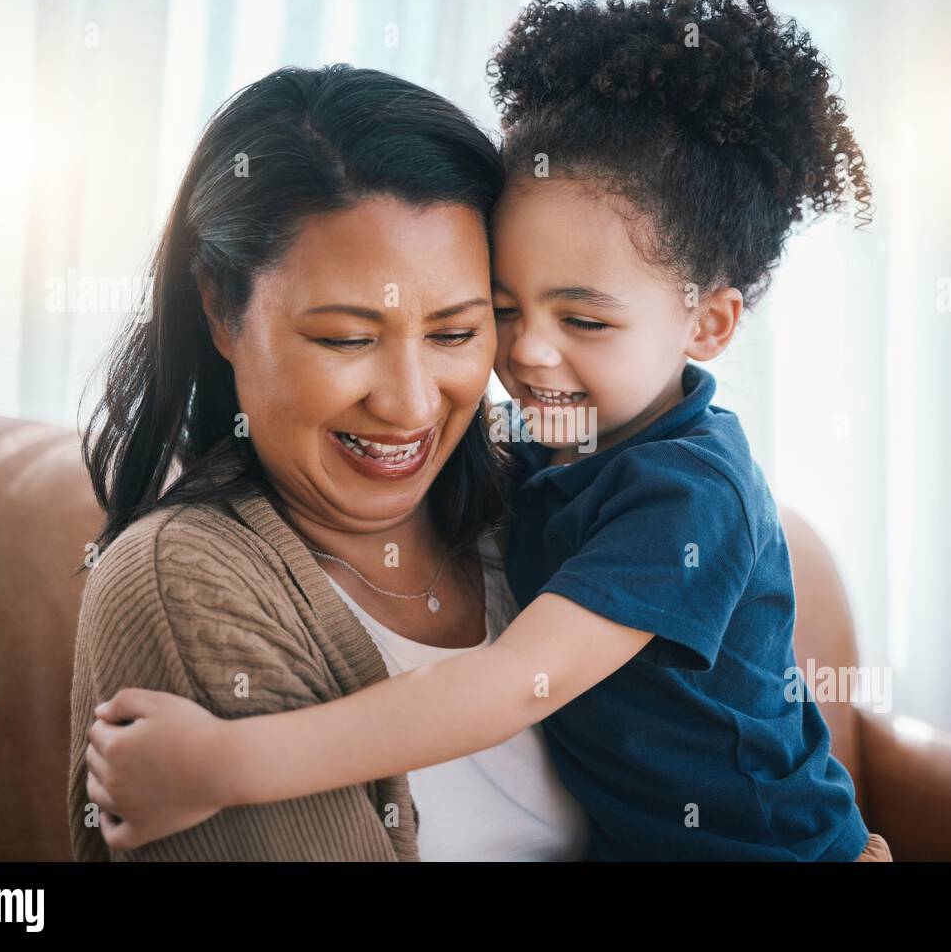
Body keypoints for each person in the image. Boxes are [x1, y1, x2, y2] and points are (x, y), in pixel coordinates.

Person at [86, 0, 893, 861]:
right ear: (220, 307)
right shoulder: (548, 457)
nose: (530, 353)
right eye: (505, 311)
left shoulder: (688, 495)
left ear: (709, 323)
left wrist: (228, 763)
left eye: (457, 331)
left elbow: (513, 684)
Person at [68, 63, 589, 861]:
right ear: (220, 308)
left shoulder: (554, 504)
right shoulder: (186, 584)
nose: (411, 404)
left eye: (454, 332)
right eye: (347, 338)